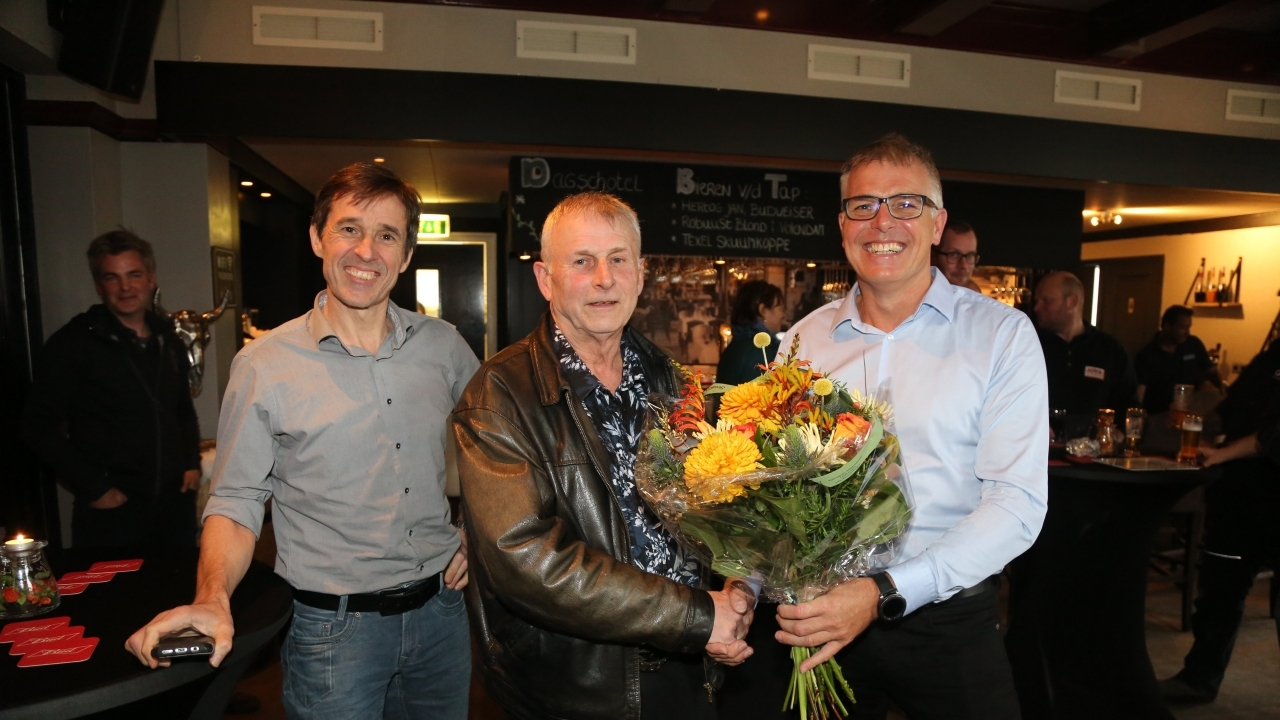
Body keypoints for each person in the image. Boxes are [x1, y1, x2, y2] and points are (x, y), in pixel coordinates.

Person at [125, 163, 478, 720]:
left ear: (406, 254)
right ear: (318, 237)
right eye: (349, 229)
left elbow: (492, 453)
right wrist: (211, 598)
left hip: (442, 618)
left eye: (387, 235)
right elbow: (237, 499)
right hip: (335, 635)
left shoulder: (446, 348)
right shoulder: (265, 365)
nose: (367, 251)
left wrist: (473, 534)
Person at [767, 134, 1048, 719]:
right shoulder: (801, 342)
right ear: (842, 225)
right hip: (820, 623)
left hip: (949, 619)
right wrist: (748, 583)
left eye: (906, 204)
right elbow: (771, 487)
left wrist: (884, 592)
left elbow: (1017, 504)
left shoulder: (1002, 336)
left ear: (938, 223)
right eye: (863, 205)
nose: (882, 222)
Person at [453, 191, 755, 720]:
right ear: (546, 280)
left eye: (618, 259)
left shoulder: (671, 379)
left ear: (641, 273)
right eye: (582, 261)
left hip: (692, 666)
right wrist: (696, 616)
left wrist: (739, 583)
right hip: (577, 686)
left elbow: (711, 509)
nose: (603, 278)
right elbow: (526, 560)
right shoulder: (499, 394)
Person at [22, 230, 202, 547]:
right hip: (113, 512)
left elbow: (182, 411)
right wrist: (94, 488)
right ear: (98, 285)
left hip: (175, 506)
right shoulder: (73, 343)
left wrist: (191, 463)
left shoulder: (168, 339)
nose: (125, 287)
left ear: (151, 279)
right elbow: (38, 427)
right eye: (112, 277)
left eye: (134, 275)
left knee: (179, 593)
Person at [1159, 338, 1280, 705]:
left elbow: (1273, 438)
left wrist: (1223, 453)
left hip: (1273, 496)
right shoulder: (1272, 355)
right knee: (1219, 593)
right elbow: (1233, 408)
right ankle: (1199, 679)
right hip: (1239, 498)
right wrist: (1196, 419)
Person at [1034, 270, 1137, 438]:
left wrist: (1119, 434)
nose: (1037, 307)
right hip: (1041, 452)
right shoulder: (1029, 345)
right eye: (1037, 301)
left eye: (1046, 300)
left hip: (1094, 454)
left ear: (1072, 302)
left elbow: (1129, 404)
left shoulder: (1109, 349)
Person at [1135, 305, 1223, 414]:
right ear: (1167, 326)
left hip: (1190, 412)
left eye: (1188, 327)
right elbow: (1140, 393)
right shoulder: (1147, 355)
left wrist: (1221, 386)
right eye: (1182, 328)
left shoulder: (1193, 344)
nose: (1187, 333)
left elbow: (1211, 371)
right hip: (1160, 416)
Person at [716, 280, 785, 385]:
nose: (783, 315)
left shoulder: (736, 344)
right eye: (780, 309)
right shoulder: (762, 351)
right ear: (763, 310)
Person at [930, 219, 981, 292]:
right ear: (933, 256)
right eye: (954, 255)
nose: (964, 265)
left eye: (970, 255)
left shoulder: (975, 297)